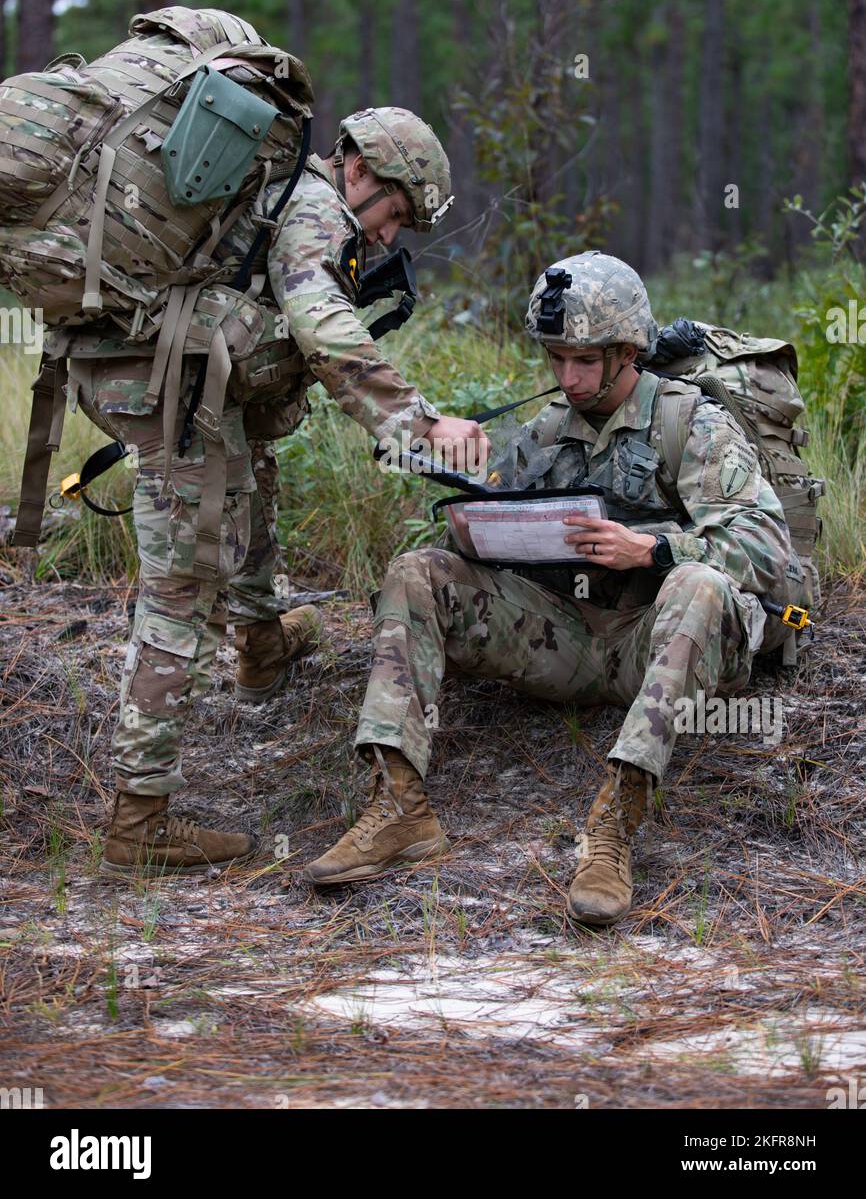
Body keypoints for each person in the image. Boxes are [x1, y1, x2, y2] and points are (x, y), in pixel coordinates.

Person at [302, 251, 796, 928]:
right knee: (417, 571)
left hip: (658, 643)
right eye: (556, 358)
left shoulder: (693, 424)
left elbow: (769, 551)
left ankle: (615, 824)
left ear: (627, 352)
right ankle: (397, 807)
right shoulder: (545, 431)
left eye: (585, 361)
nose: (568, 377)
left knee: (702, 584)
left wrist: (651, 549)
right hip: (564, 638)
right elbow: (490, 532)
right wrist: (475, 522)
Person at [69, 103, 488, 877]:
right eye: (394, 213)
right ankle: (138, 820)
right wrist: (421, 426)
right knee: (179, 591)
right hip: (168, 394)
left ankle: (261, 645)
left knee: (251, 476)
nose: (391, 237)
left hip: (172, 378)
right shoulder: (317, 208)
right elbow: (323, 326)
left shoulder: (281, 195)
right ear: (358, 170)